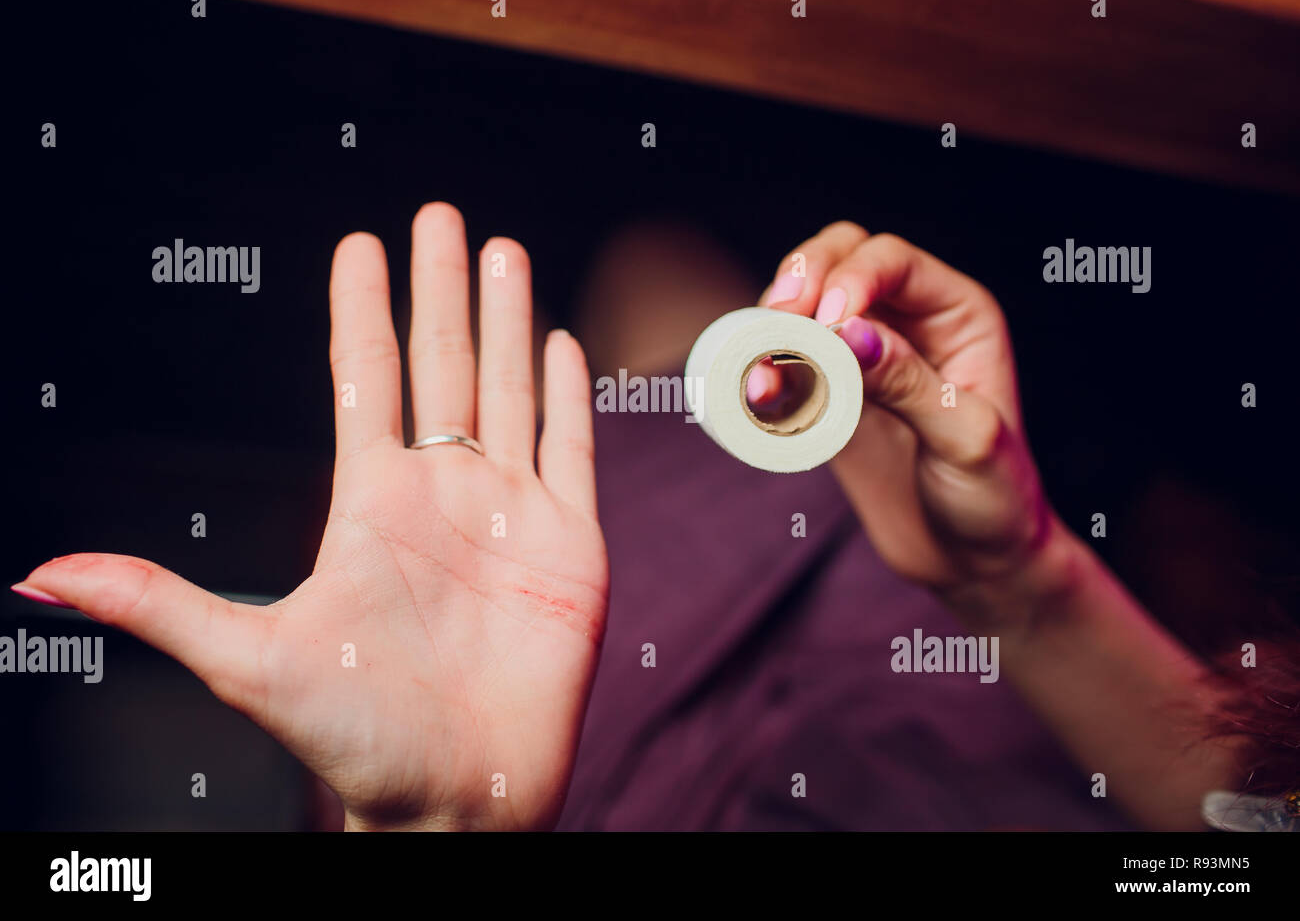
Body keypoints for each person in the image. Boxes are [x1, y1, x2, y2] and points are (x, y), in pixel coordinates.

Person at [11, 204, 1296, 831]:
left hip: (652, 764)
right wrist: (1020, 576)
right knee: (674, 295)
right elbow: (1237, 818)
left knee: (658, 314)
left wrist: (443, 826)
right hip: (976, 700)